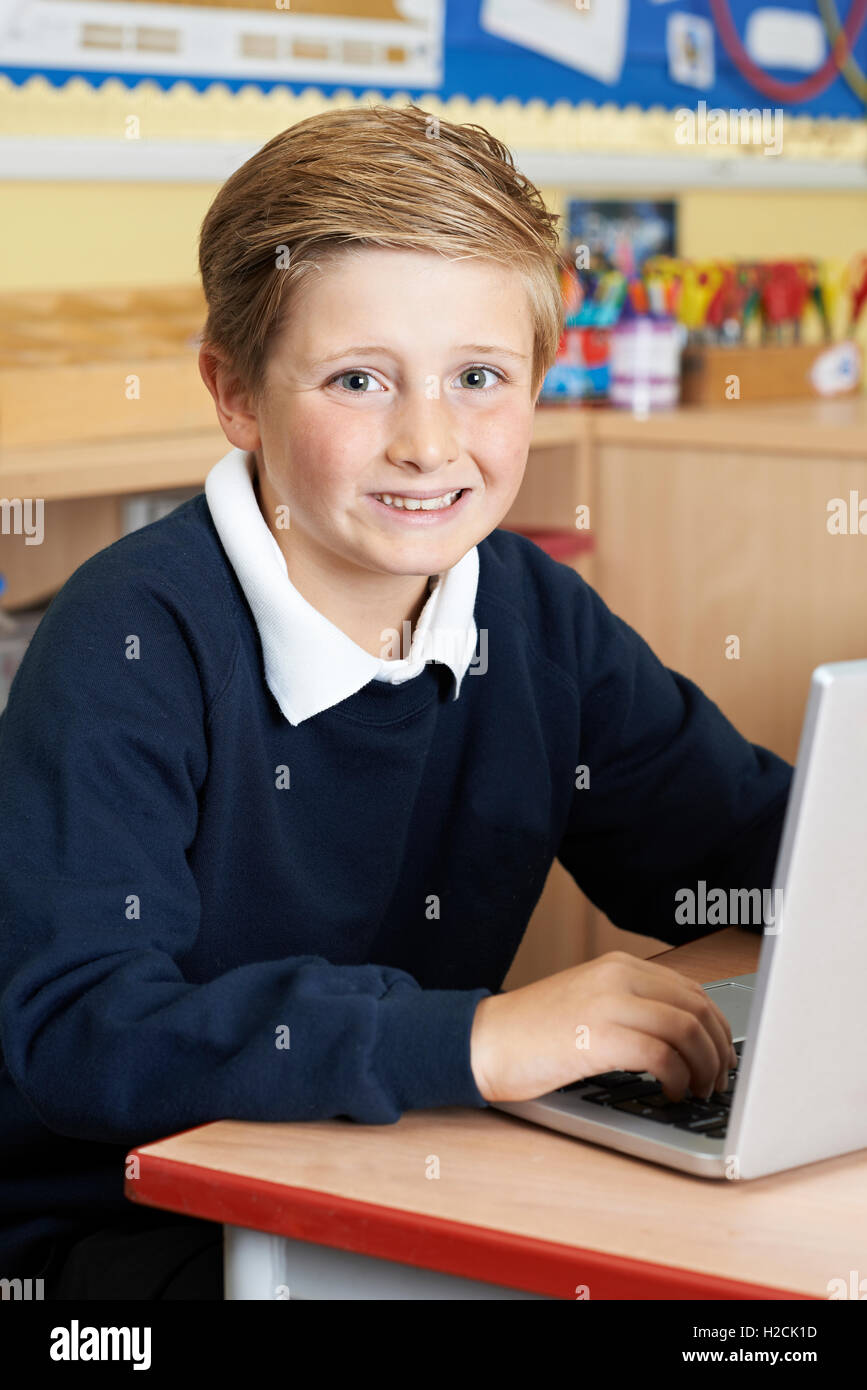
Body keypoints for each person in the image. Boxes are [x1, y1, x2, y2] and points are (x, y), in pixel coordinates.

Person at [0, 104, 793, 1300]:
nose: (430, 443)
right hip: (121, 1231)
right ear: (237, 394)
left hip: (387, 1164)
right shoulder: (129, 638)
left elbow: (731, 851)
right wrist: (474, 1037)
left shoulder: (528, 611)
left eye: (480, 376)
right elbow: (80, 1024)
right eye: (359, 379)